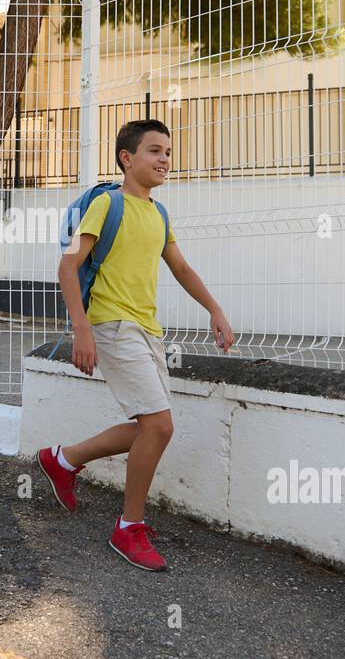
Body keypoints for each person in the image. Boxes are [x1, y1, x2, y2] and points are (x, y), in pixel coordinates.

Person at [37, 119, 234, 570]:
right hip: (111, 325)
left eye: (168, 151)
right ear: (127, 158)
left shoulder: (159, 214)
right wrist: (81, 329)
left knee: (149, 426)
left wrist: (215, 310)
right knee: (160, 426)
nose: (165, 159)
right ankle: (129, 528)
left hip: (148, 330)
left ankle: (63, 460)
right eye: (154, 150)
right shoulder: (108, 204)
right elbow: (69, 268)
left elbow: (181, 269)